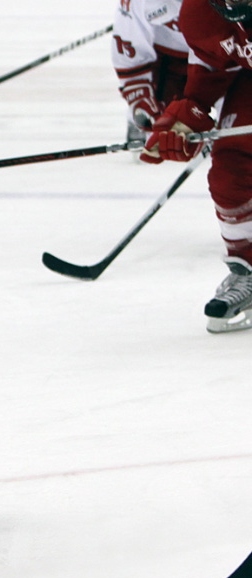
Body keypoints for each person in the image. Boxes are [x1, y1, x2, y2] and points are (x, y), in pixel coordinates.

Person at [140, 0, 252, 333]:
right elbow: (210, 71)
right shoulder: (202, 11)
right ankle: (247, 270)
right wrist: (185, 120)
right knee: (230, 170)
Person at [110, 0, 189, 144]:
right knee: (165, 132)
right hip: (168, 62)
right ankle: (137, 119)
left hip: (220, 56)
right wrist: (141, 100)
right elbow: (131, 58)